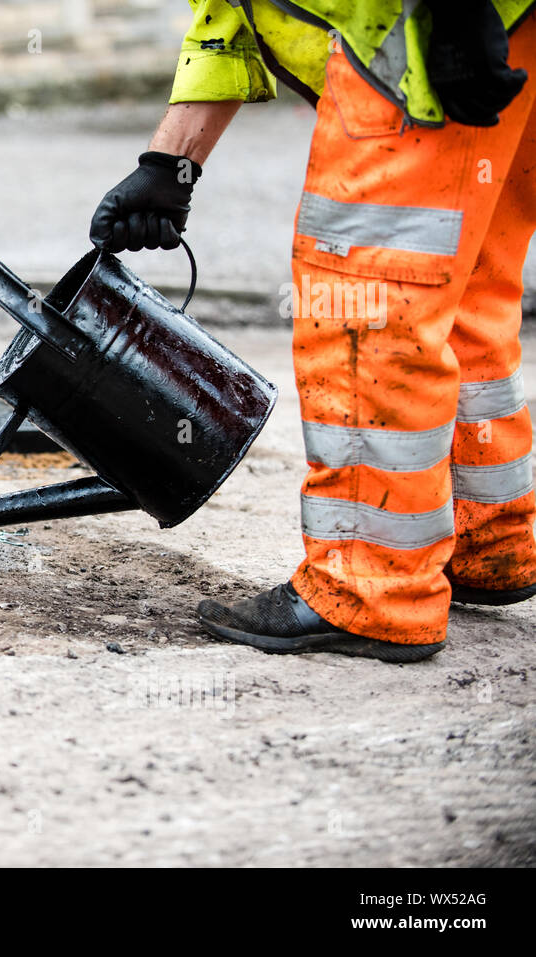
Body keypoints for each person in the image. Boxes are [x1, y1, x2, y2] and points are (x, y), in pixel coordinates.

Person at [90, 1, 535, 662]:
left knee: (365, 305)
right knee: (459, 291)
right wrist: (171, 161)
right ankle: (483, 538)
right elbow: (232, 9)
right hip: (497, 27)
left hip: (417, 33)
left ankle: (371, 586)